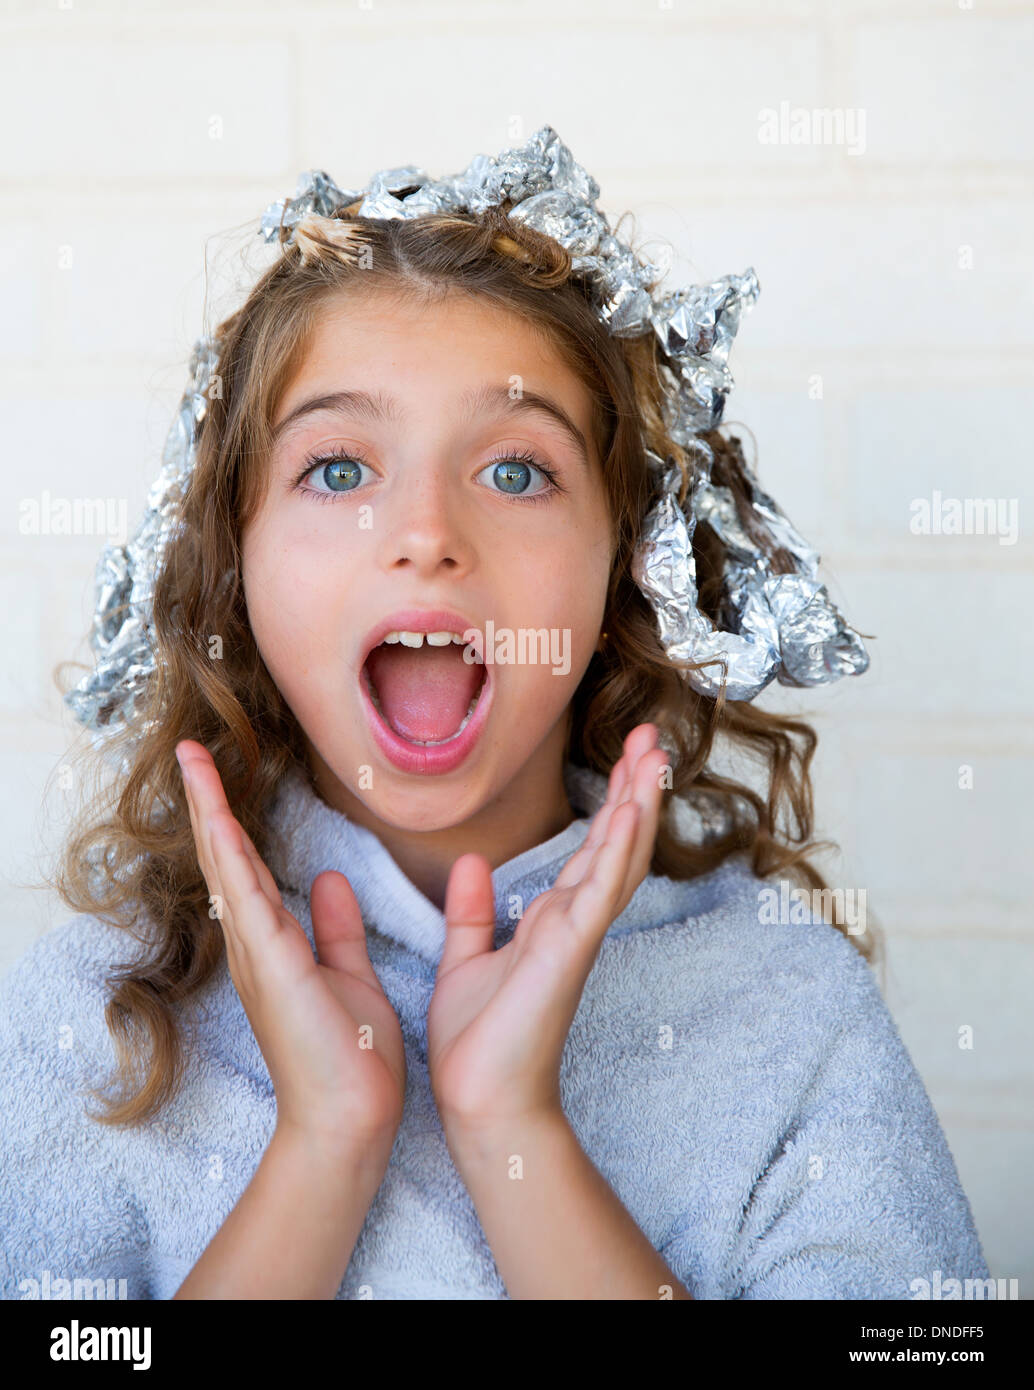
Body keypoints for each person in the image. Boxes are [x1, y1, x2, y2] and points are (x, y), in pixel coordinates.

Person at [0, 137, 989, 1300]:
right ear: (237, 560)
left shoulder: (788, 1004)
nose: (424, 530)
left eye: (516, 471)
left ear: (629, 566)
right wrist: (323, 1151)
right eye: (336, 469)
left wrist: (515, 1132)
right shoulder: (91, 1017)